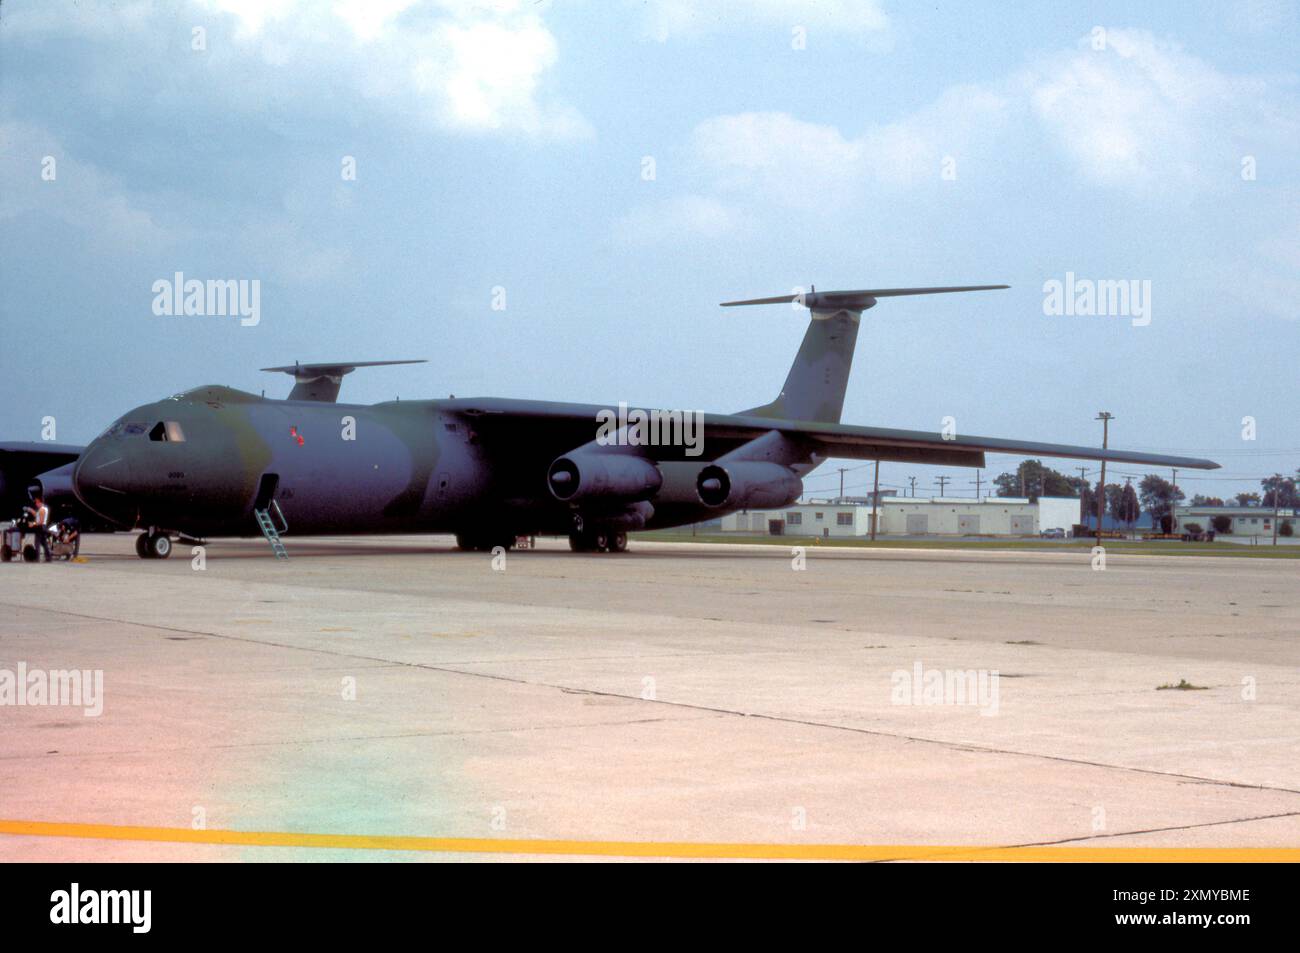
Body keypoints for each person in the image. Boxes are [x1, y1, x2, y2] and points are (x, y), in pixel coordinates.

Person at [24, 493, 51, 562]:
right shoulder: (42, 509)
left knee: (37, 543)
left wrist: (33, 524)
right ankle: (48, 557)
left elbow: (41, 521)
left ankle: (37, 558)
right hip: (42, 527)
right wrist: (30, 510)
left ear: (39, 501)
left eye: (36, 502)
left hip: (40, 527)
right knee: (44, 543)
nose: (35, 504)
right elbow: (36, 515)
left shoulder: (42, 510)